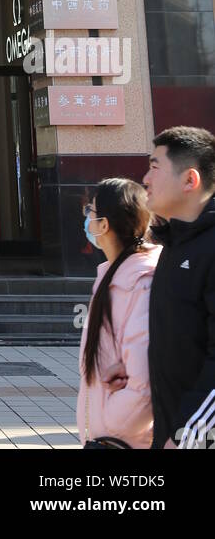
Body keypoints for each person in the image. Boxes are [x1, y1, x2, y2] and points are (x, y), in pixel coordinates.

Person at [140, 126, 215, 449]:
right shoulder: (174, 246)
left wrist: (187, 432)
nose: (145, 179)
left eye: (155, 167)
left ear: (190, 180)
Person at [75, 178, 160, 449]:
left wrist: (109, 424)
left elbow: (143, 385)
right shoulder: (110, 276)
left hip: (120, 441)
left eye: (91, 210)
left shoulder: (140, 283)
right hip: (103, 438)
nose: (87, 216)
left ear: (104, 225)